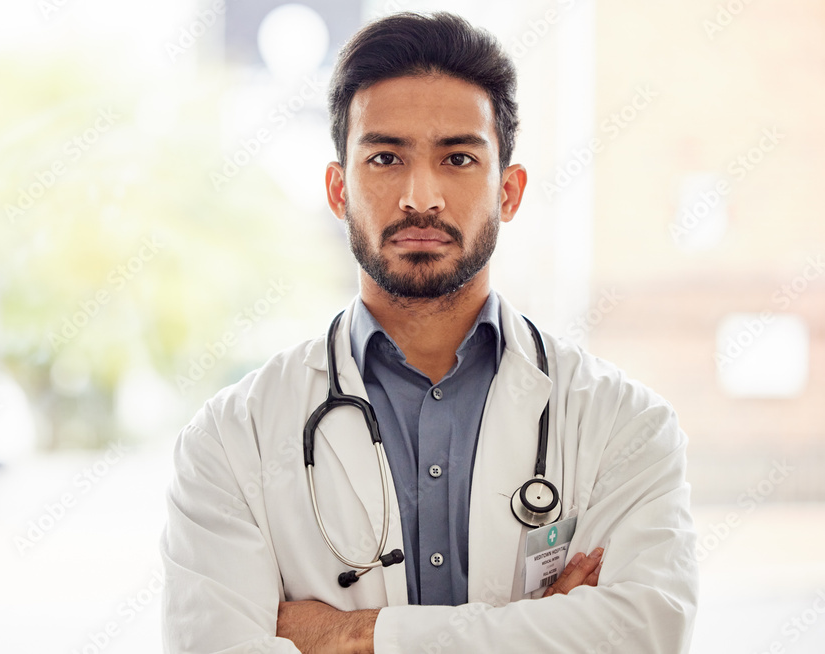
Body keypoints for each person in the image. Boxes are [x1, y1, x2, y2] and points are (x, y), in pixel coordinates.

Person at [161, 11, 698, 654]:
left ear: (510, 191)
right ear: (339, 189)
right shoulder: (232, 439)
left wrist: (354, 636)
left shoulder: (624, 425)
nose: (421, 196)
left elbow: (646, 634)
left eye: (458, 158)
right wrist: (539, 629)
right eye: (386, 157)